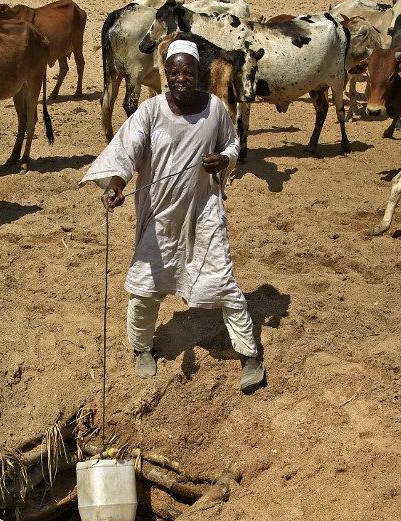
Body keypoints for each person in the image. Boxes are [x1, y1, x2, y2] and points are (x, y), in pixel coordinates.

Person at [79, 40, 265, 393]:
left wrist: (224, 160)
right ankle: (142, 348)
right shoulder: (150, 112)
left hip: (204, 212)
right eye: (174, 72)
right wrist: (115, 185)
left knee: (223, 284)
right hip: (160, 215)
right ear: (165, 73)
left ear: (199, 74)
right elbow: (125, 151)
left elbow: (232, 145)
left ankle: (250, 355)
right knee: (145, 289)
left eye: (188, 72)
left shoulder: (215, 109)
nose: (181, 78)